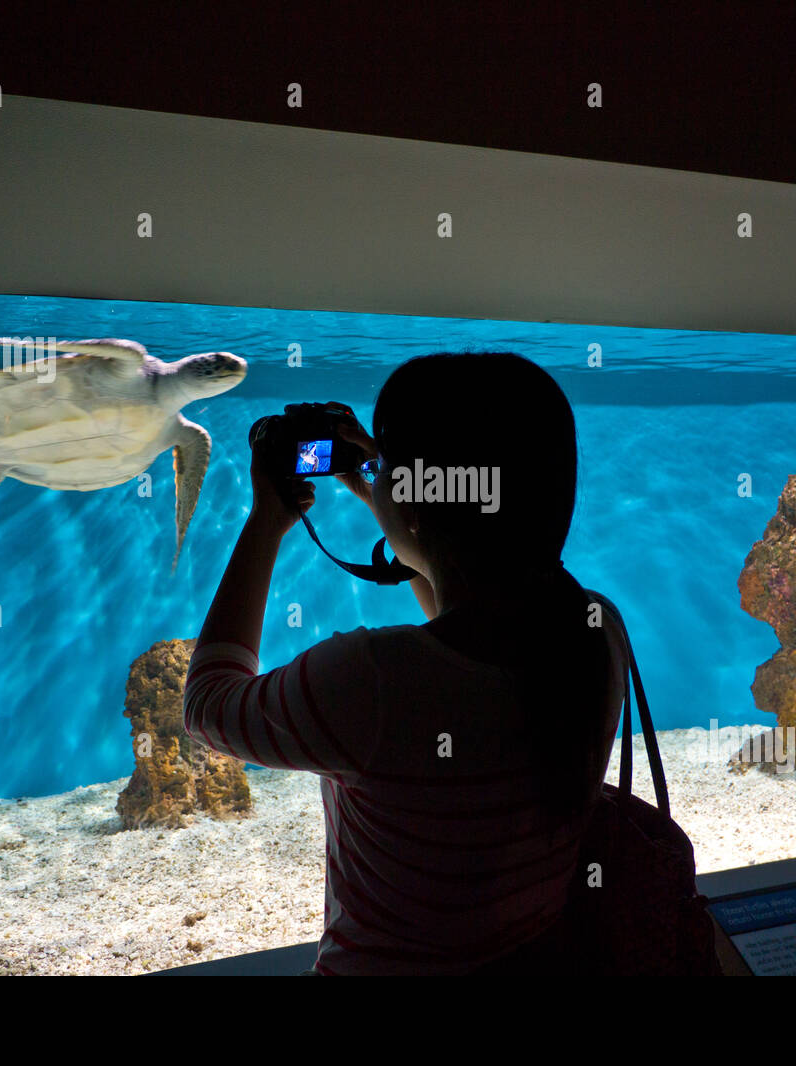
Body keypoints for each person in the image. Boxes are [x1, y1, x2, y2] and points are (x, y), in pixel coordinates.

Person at [184, 351, 629, 975]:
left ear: (419, 497)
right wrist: (385, 490)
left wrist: (265, 522)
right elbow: (464, 622)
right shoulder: (595, 629)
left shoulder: (371, 680)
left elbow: (208, 707)